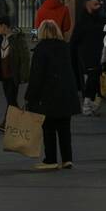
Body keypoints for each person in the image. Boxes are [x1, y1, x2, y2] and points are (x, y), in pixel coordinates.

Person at [26, 19, 80, 169]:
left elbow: (36, 75)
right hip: (66, 94)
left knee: (48, 127)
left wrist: (30, 96)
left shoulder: (40, 49)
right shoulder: (65, 48)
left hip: (48, 95)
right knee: (64, 128)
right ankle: (67, 159)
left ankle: (51, 159)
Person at [0, 15, 31, 131]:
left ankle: (6, 124)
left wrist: (24, 75)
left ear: (4, 26)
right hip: (4, 75)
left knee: (11, 100)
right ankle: (22, 122)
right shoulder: (1, 39)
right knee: (10, 100)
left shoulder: (17, 38)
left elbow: (25, 57)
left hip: (13, 74)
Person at [68, 0, 105, 116]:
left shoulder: (99, 20)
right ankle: (87, 104)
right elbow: (75, 38)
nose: (98, 6)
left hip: (96, 54)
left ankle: (90, 104)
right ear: (87, 6)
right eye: (95, 4)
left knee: (94, 79)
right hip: (87, 56)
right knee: (90, 79)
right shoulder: (84, 21)